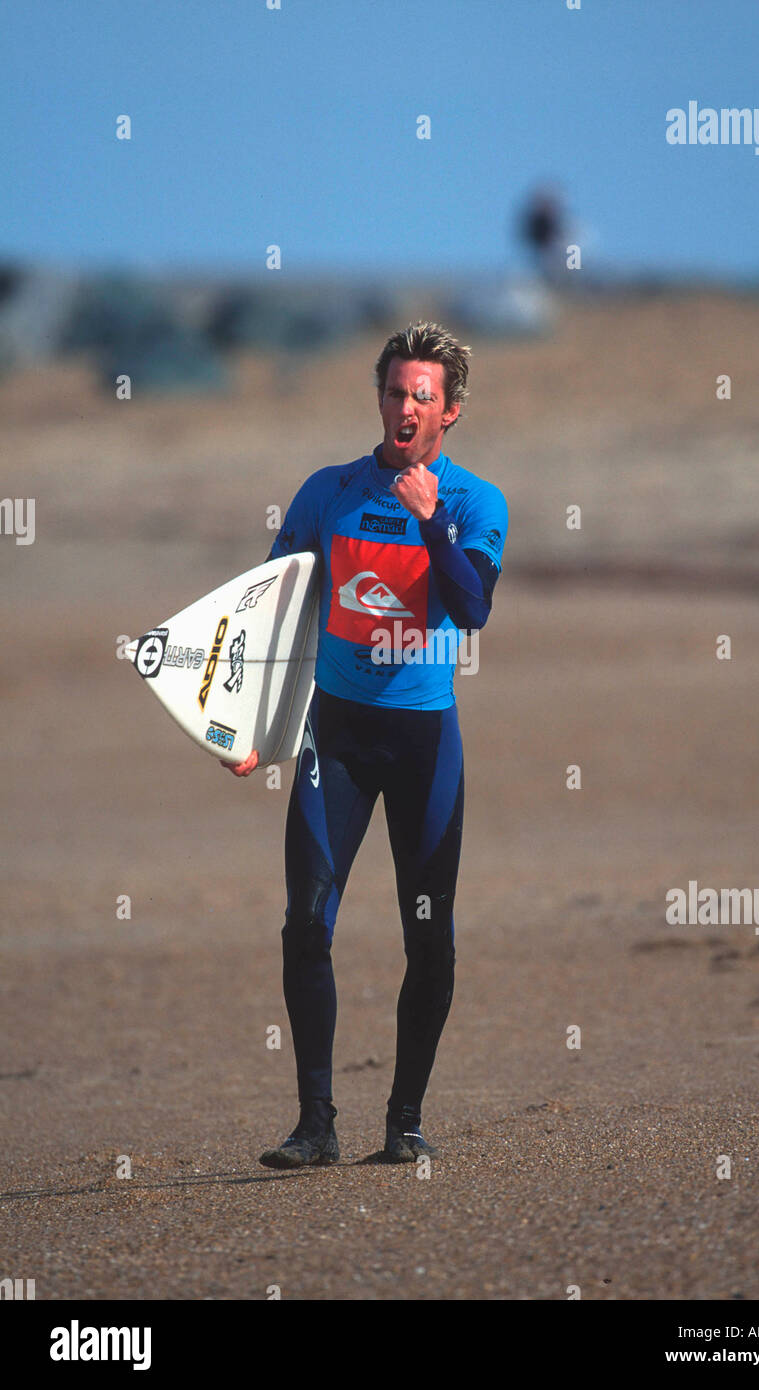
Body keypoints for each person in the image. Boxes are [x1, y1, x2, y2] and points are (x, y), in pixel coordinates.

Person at [225, 321, 508, 1167]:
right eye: (395, 391)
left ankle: (405, 1120)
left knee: (429, 937)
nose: (407, 406)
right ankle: (316, 1125)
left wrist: (431, 526)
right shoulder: (329, 492)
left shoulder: (471, 503)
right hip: (336, 740)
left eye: (424, 395)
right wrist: (250, 727)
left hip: (424, 745)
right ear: (380, 398)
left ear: (449, 411)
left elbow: (472, 610)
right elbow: (271, 616)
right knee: (306, 924)